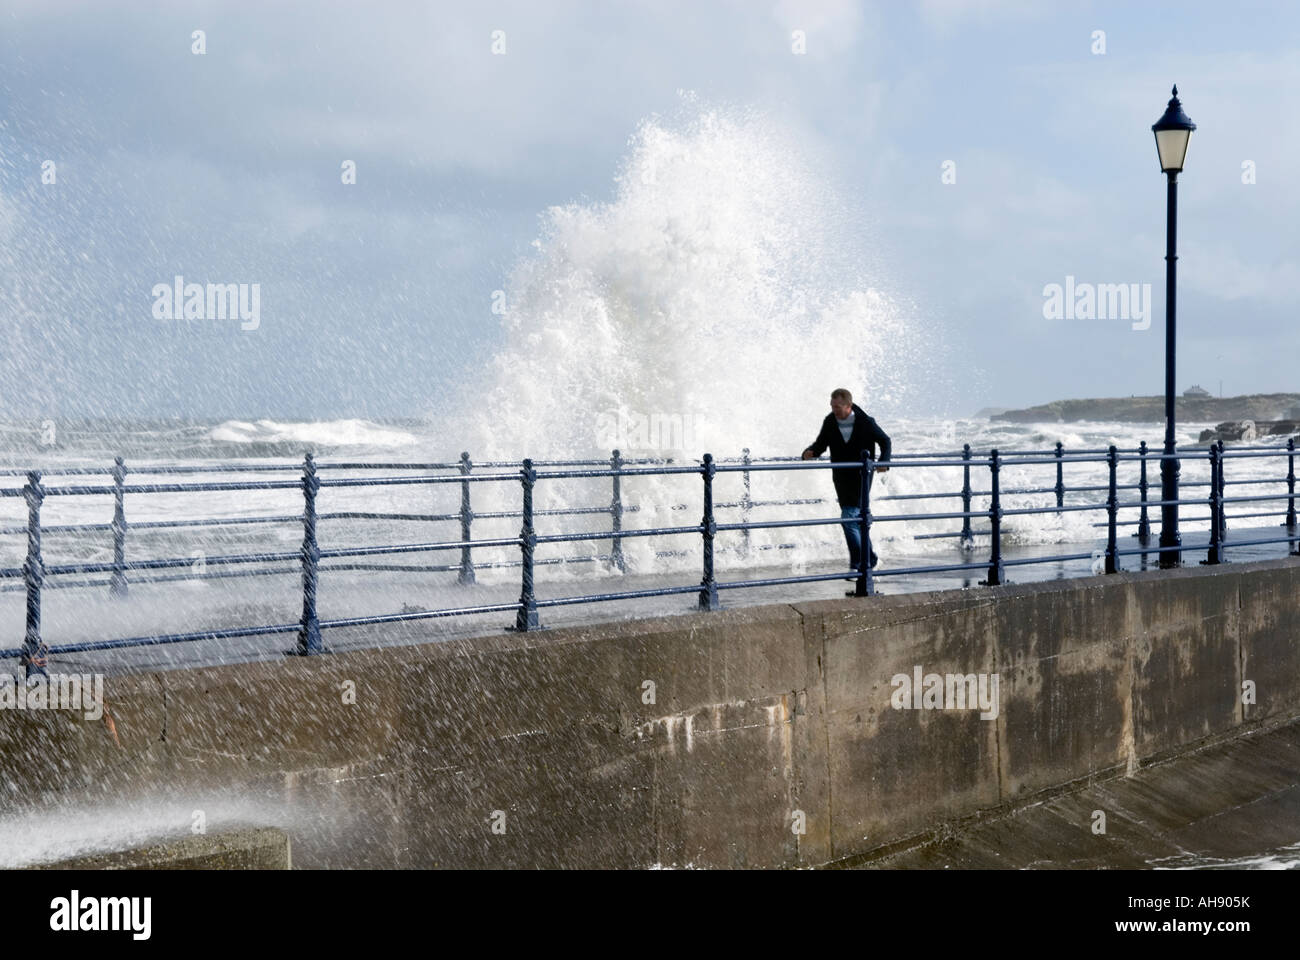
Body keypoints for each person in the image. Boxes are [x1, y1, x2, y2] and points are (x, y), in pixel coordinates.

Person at [801, 388, 891, 575]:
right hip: (841, 477)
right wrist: (809, 452)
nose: (834, 410)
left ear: (849, 406)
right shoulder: (830, 421)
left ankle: (858, 564)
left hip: (861, 476)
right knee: (857, 520)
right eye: (832, 406)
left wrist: (884, 461)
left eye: (838, 407)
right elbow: (821, 444)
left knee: (849, 518)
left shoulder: (865, 422)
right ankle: (871, 559)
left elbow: (885, 441)